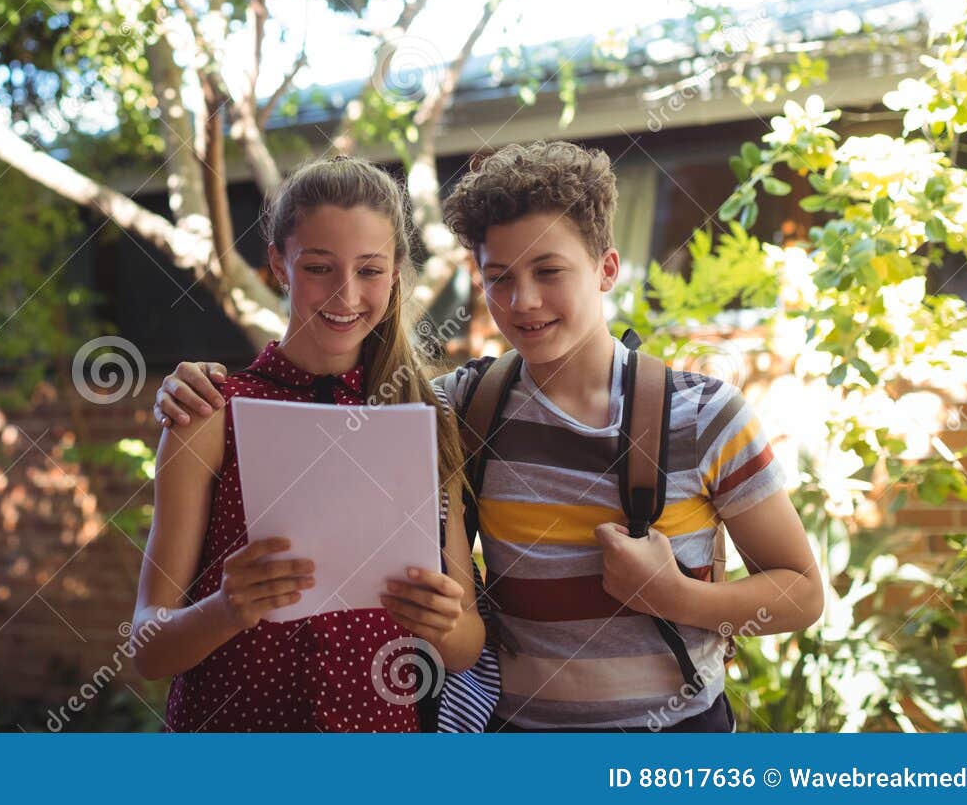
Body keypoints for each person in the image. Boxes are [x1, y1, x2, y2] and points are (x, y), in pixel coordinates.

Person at [153, 141, 824, 731]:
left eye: (549, 271)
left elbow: (802, 590)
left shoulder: (703, 415)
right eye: (499, 278)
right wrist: (196, 381)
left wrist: (678, 597)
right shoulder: (459, 409)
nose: (524, 301)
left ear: (608, 268)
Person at [130, 155, 485, 731]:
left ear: (396, 271)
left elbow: (465, 644)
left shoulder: (422, 416)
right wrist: (226, 610)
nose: (345, 295)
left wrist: (443, 623)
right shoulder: (210, 411)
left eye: (370, 270)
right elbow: (148, 647)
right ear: (278, 263)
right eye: (319, 267)